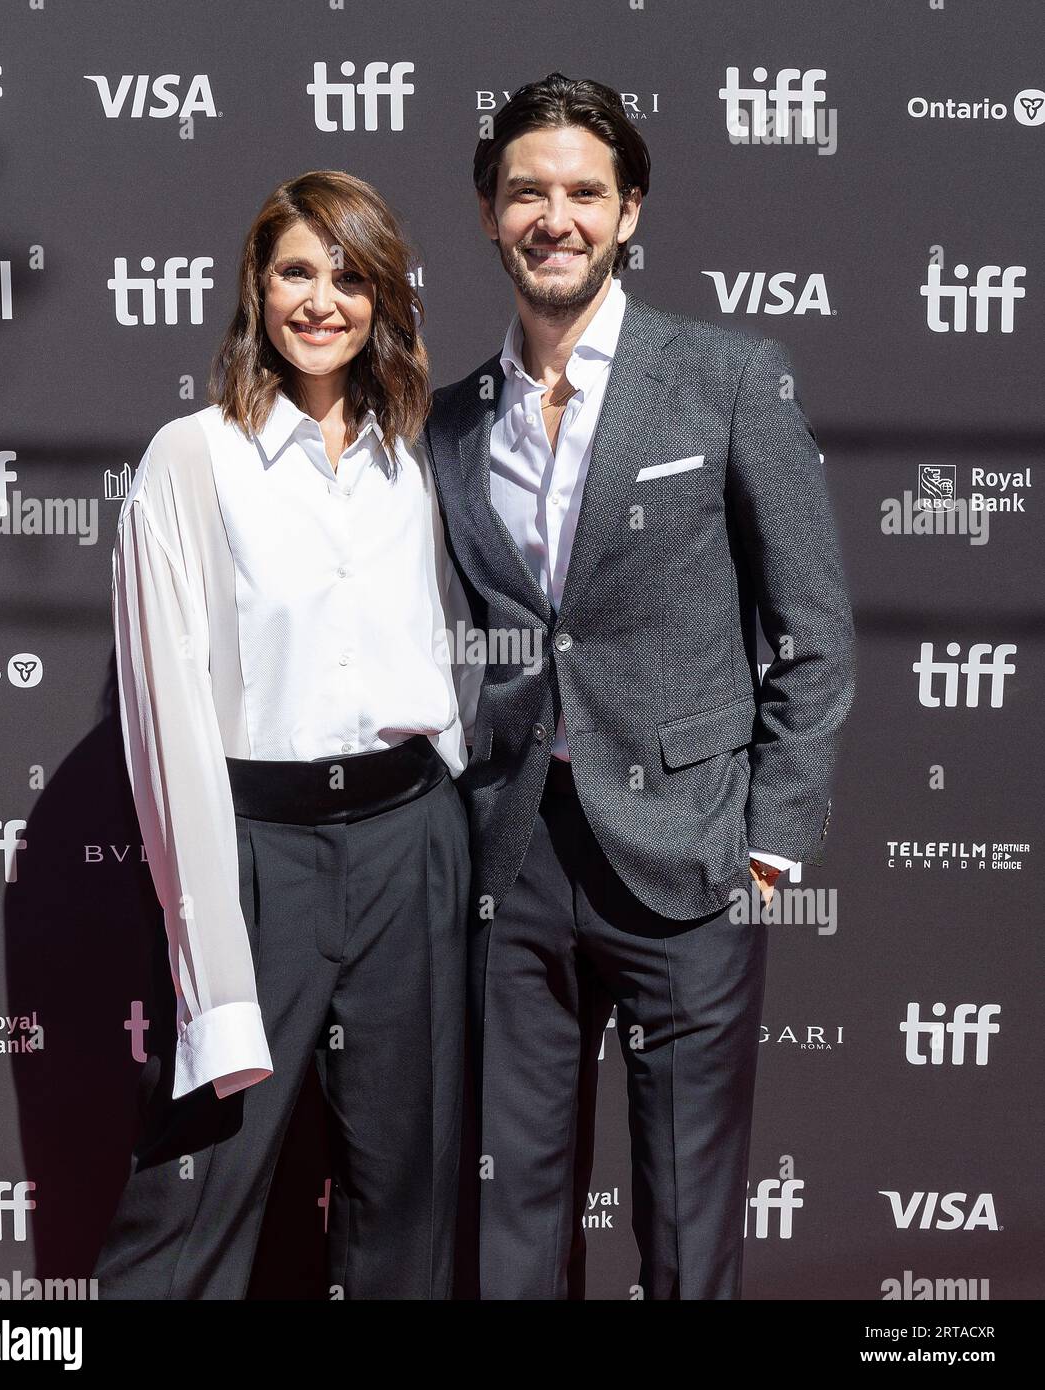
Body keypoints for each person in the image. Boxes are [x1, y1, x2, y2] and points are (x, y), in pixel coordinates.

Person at [423, 73, 856, 1299]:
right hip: (514, 856)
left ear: (627, 212)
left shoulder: (725, 376)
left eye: (583, 193)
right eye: (527, 193)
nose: (553, 218)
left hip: (687, 859)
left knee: (685, 1232)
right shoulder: (451, 425)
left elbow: (813, 627)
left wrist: (768, 842)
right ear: (488, 212)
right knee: (508, 1233)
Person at [92, 170, 479, 1300]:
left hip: (412, 840)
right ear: (256, 289)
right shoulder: (192, 457)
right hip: (260, 851)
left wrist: (445, 800)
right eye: (297, 272)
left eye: (349, 276)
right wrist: (211, 944)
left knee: (409, 1200)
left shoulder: (416, 451)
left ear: (383, 296)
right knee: (193, 1200)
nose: (322, 300)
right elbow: (167, 716)